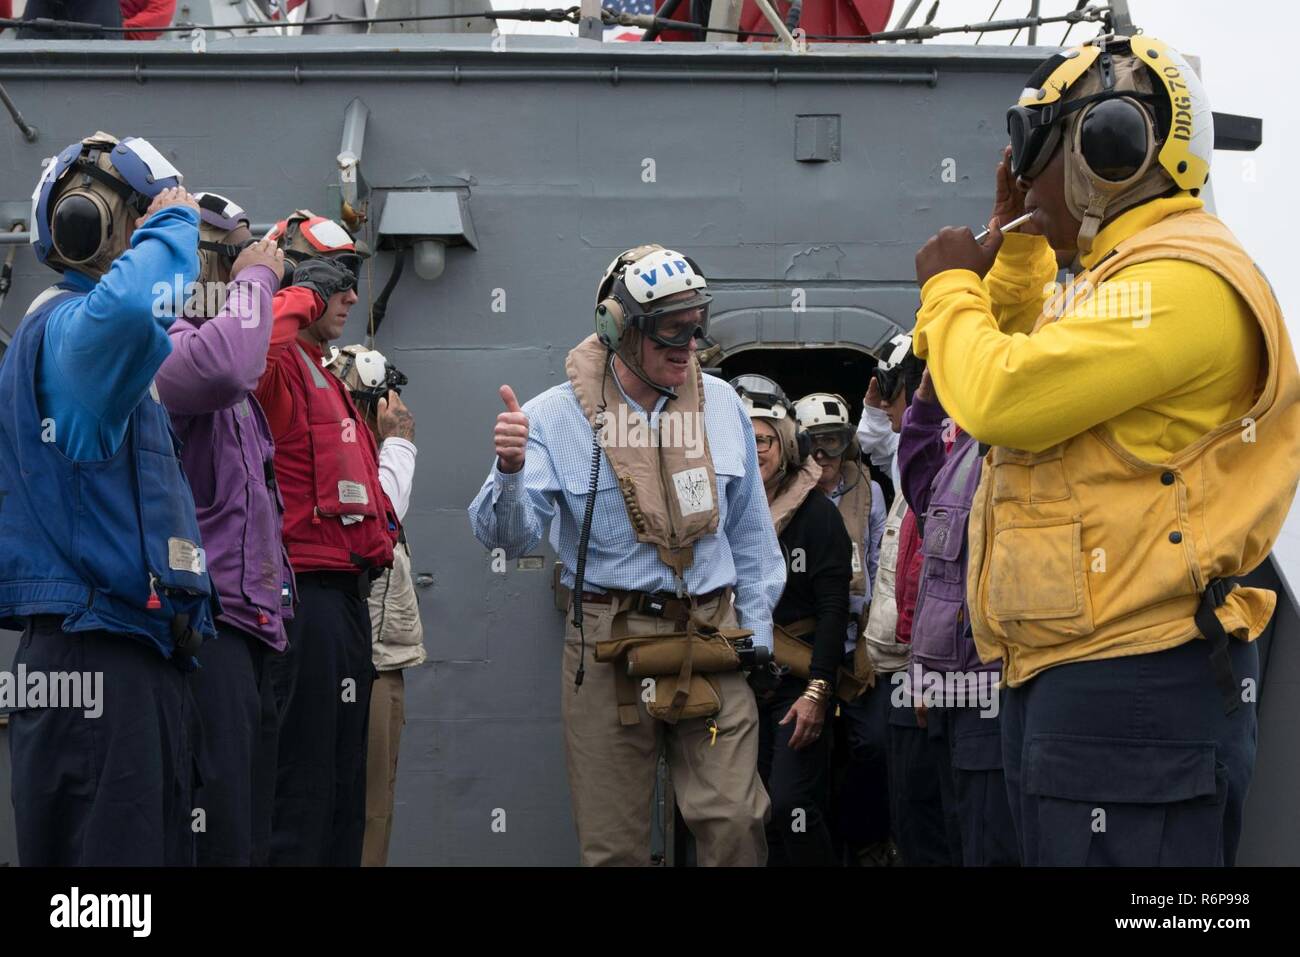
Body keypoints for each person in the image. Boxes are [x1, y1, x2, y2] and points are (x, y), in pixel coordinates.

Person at [912, 34, 1300, 866]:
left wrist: (948, 284)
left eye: (1034, 150)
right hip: (1076, 680)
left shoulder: (1178, 283)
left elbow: (1001, 396)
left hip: (1134, 690)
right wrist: (1015, 252)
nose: (1018, 175)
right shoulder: (1114, 283)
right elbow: (1007, 381)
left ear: (1105, 149)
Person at [469, 244, 785, 866]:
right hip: (608, 642)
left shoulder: (722, 407)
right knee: (613, 847)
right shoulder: (551, 418)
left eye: (696, 326)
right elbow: (508, 540)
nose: (687, 345)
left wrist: (759, 637)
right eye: (670, 330)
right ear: (617, 328)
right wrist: (509, 471)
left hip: (713, 635)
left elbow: (751, 538)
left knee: (736, 821)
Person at [0, 133, 214, 865]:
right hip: (96, 667)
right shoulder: (67, 332)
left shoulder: (89, 348)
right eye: (139, 216)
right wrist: (177, 219)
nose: (149, 232)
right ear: (86, 221)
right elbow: (131, 310)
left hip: (127, 658)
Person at [153, 192, 293, 866]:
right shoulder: (166, 343)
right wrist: (258, 277)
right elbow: (227, 364)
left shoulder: (229, 382)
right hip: (205, 626)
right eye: (233, 257)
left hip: (254, 626)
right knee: (212, 832)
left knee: (245, 830)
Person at [257, 211, 398, 866]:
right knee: (300, 789)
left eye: (352, 278)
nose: (347, 293)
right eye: (336, 279)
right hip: (303, 603)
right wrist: (296, 285)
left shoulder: (323, 374)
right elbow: (253, 348)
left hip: (344, 606)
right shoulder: (282, 365)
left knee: (342, 785)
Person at [897, 368, 1018, 866]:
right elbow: (919, 486)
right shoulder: (965, 451)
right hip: (951, 691)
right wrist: (925, 401)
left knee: (988, 847)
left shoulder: (1015, 451)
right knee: (956, 838)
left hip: (992, 691)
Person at [735, 375, 850, 867]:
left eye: (761, 438)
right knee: (742, 813)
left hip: (795, 685)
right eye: (741, 438)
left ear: (783, 443)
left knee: (790, 804)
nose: (752, 449)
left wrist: (818, 693)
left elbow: (833, 610)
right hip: (731, 683)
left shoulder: (818, 515)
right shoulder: (715, 511)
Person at [324, 344, 424, 868]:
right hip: (345, 657)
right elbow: (374, 522)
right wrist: (399, 446)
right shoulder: (333, 449)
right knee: (347, 809)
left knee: (371, 811)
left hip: (377, 661)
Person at [792, 390, 892, 864]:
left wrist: (872, 634)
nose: (824, 455)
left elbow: (877, 561)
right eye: (814, 443)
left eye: (834, 442)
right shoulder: (783, 492)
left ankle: (865, 838)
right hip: (801, 644)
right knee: (809, 753)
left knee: (872, 744)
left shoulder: (867, 490)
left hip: (856, 643)